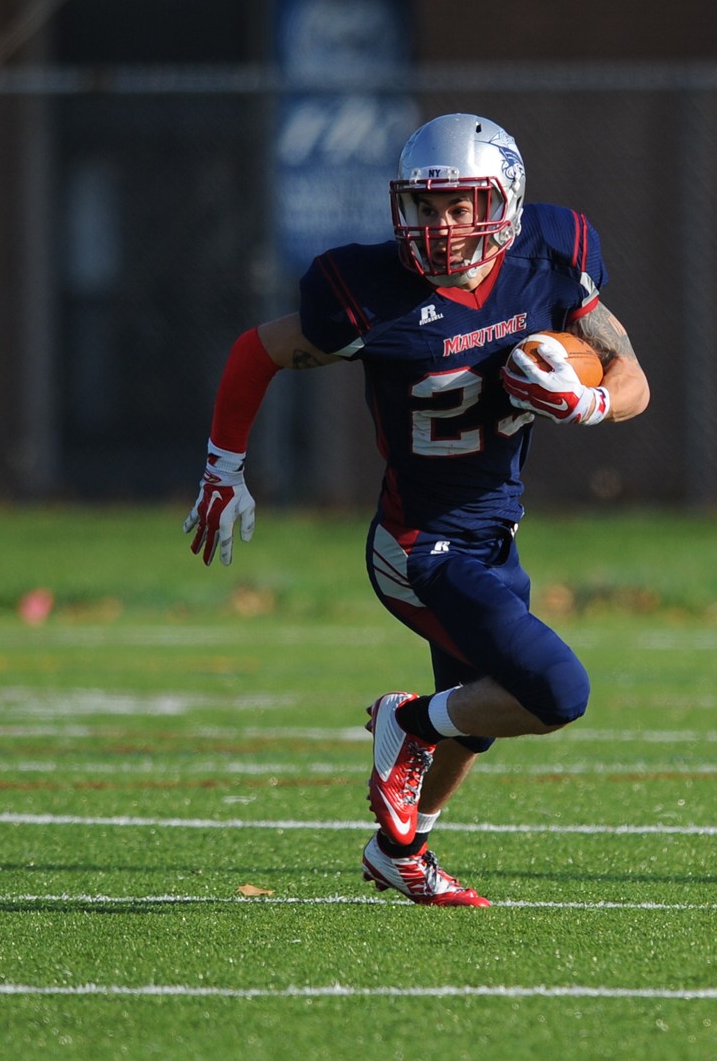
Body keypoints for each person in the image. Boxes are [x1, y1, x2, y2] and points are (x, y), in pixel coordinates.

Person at [183, 113, 650, 907]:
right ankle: (407, 723)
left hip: (494, 535)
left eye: (460, 205)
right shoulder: (369, 294)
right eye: (425, 207)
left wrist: (592, 402)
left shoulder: (551, 253)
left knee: (481, 712)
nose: (440, 227)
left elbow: (630, 371)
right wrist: (222, 468)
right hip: (418, 545)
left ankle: (399, 851)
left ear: (503, 200)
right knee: (554, 691)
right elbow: (255, 352)